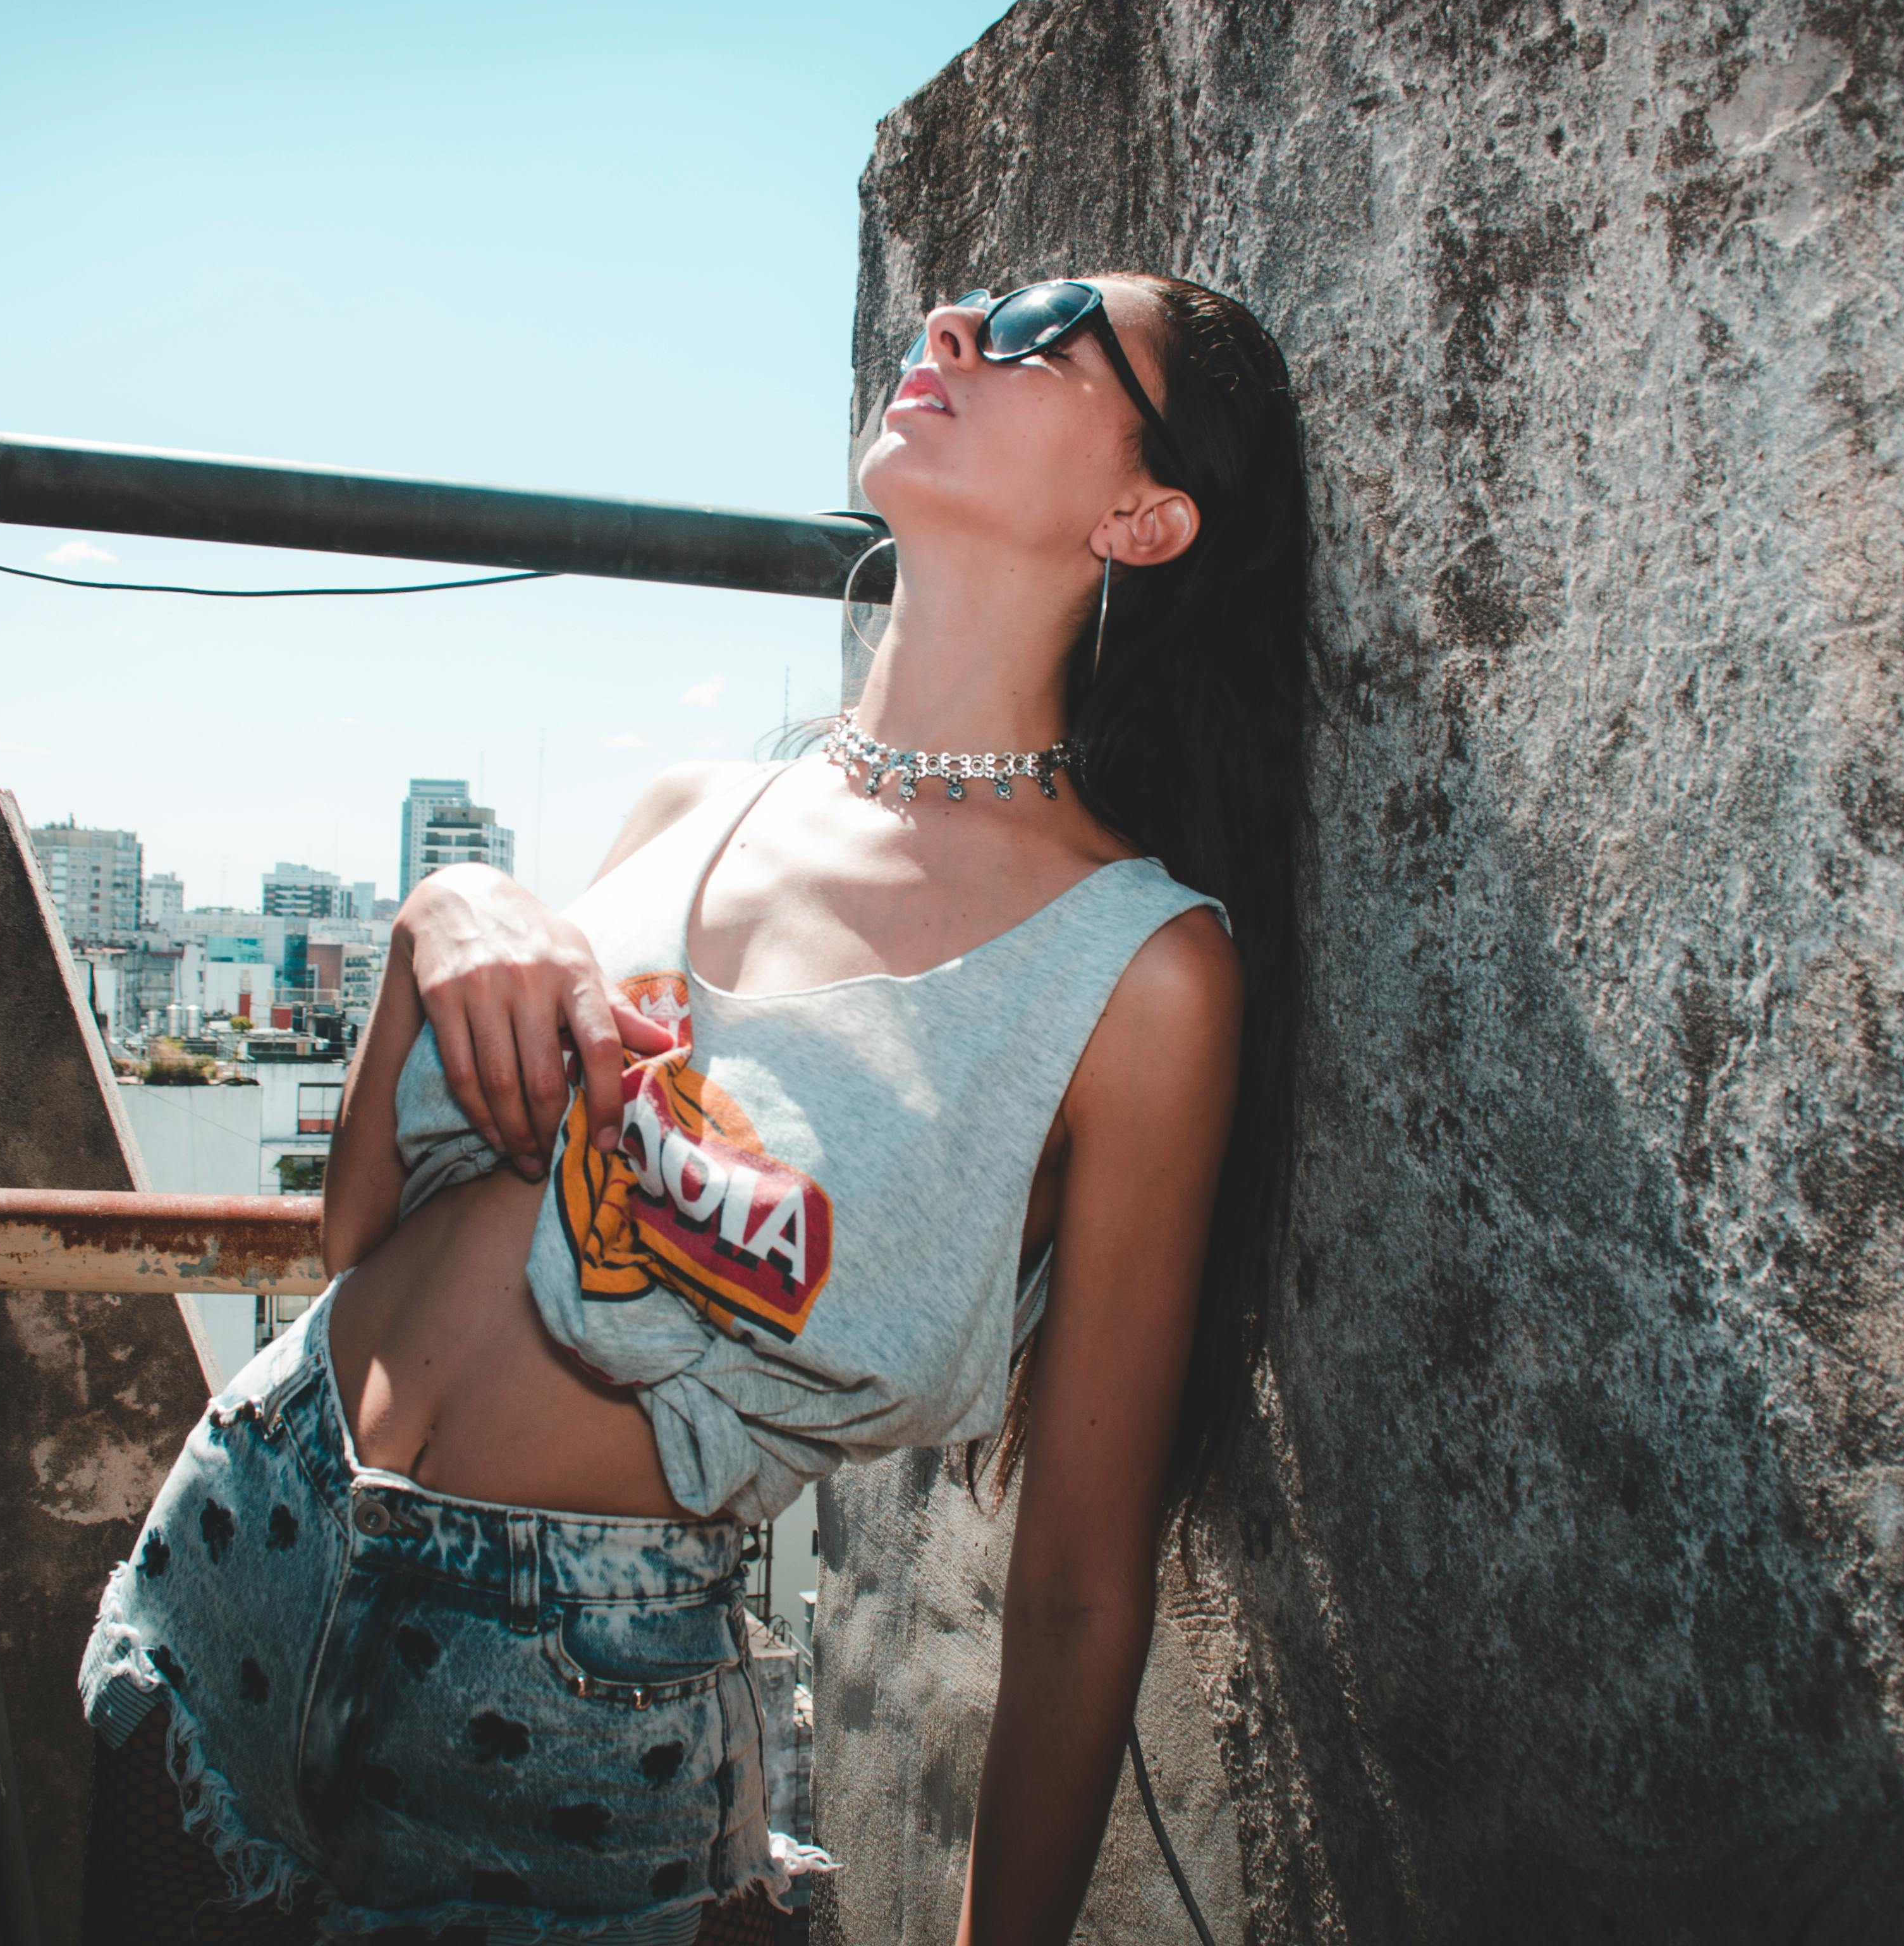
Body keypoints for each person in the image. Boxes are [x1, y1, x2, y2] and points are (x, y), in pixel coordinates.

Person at [78, 274, 1310, 1946]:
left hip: (565, 1692)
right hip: (253, 1521)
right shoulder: (688, 804)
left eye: (1041, 326)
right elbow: (362, 1232)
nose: (949, 325)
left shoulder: (1139, 972)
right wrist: (431, 933)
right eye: (959, 307)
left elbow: (1084, 1586)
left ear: (1145, 515)